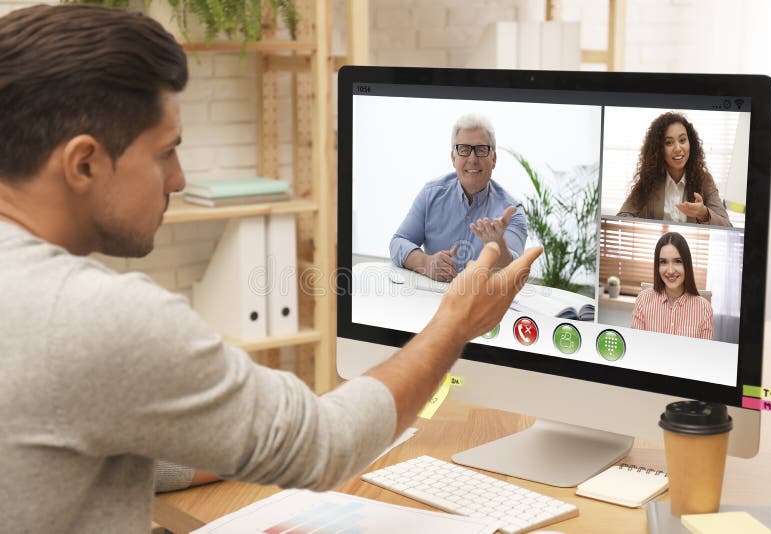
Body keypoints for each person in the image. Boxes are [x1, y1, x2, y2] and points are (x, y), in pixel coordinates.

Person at [0, 5, 542, 531]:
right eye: (166, 152)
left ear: (492, 157)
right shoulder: (99, 318)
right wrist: (454, 323)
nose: (180, 179)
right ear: (84, 163)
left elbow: (96, 436)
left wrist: (235, 441)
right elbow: (324, 445)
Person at [389, 113, 528, 282]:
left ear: (494, 159)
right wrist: (426, 262)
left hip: (482, 303)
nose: (472, 159)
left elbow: (513, 273)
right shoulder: (430, 194)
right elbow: (398, 242)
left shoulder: (512, 212)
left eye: (481, 150)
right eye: (464, 149)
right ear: (453, 157)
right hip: (431, 301)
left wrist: (498, 247)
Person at [617, 112, 732, 227]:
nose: (678, 148)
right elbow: (622, 217)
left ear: (690, 143)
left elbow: (727, 226)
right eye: (669, 142)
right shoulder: (650, 178)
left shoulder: (705, 180)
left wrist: (704, 214)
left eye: (682, 140)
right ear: (659, 149)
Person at [631, 232, 713, 340]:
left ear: (686, 264)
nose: (670, 271)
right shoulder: (643, 299)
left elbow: (705, 355)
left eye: (678, 261)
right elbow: (637, 346)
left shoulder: (704, 308)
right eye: (663, 262)